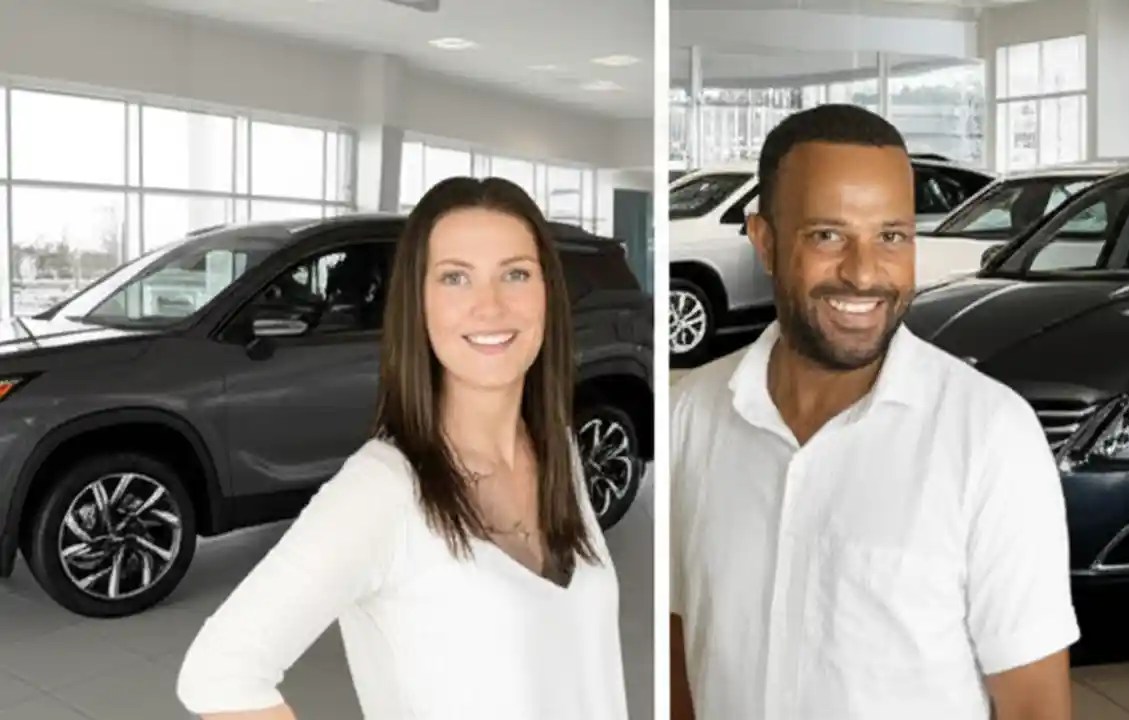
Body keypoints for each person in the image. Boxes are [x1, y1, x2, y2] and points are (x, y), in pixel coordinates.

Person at [669, 105, 1079, 720]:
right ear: (765, 241)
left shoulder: (990, 436)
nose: (863, 274)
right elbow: (681, 649)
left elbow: (1035, 707)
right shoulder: (690, 416)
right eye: (827, 235)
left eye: (891, 237)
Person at [176, 177, 629, 720]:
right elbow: (219, 674)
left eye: (515, 274)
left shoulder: (557, 452)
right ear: (417, 304)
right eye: (455, 278)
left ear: (548, 293)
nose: (490, 306)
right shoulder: (384, 491)